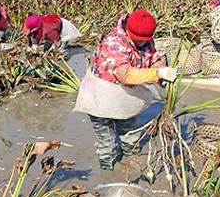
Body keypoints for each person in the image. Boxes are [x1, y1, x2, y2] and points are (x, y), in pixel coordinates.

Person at [73, 10, 177, 170]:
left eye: (145, 40)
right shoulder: (114, 43)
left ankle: (129, 166)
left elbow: (153, 58)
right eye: (139, 40)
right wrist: (158, 74)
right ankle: (108, 171)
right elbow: (126, 75)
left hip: (123, 97)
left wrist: (162, 71)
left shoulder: (146, 42)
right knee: (107, 144)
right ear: (129, 31)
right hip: (101, 97)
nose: (143, 44)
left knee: (131, 136)